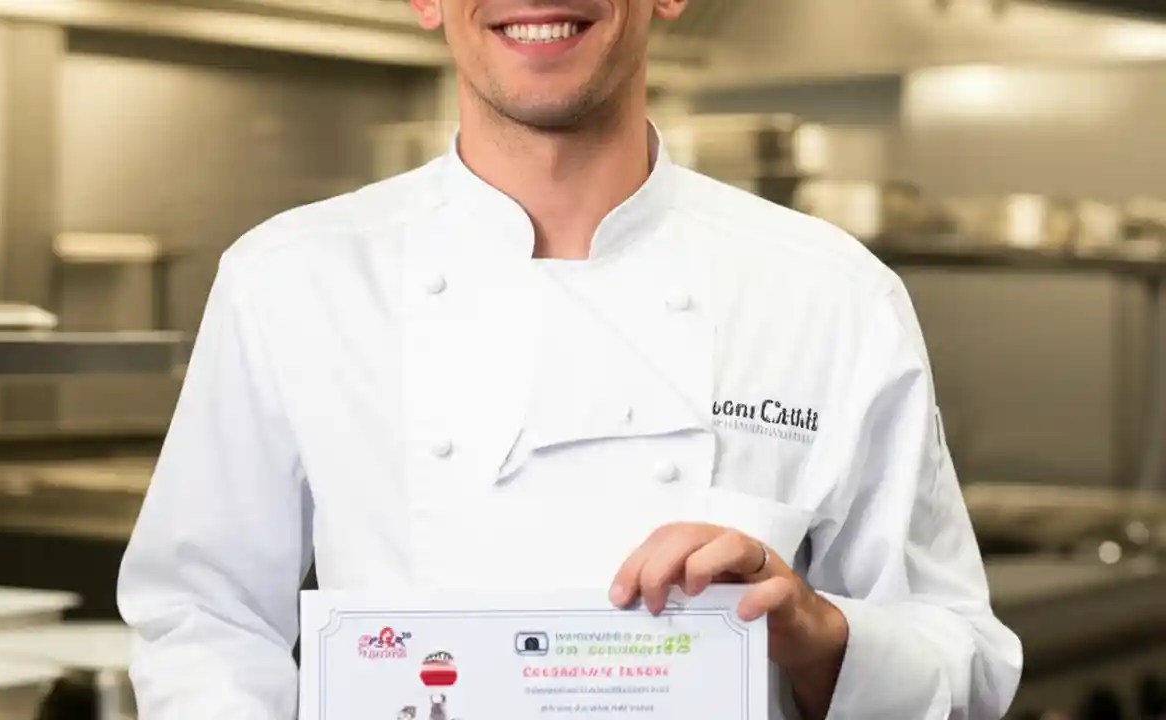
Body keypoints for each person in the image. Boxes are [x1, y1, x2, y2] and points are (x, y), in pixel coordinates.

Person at [115, 0, 1023, 718]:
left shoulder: (832, 294)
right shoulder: (291, 277)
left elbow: (964, 659)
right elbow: (203, 618)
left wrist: (815, 632)